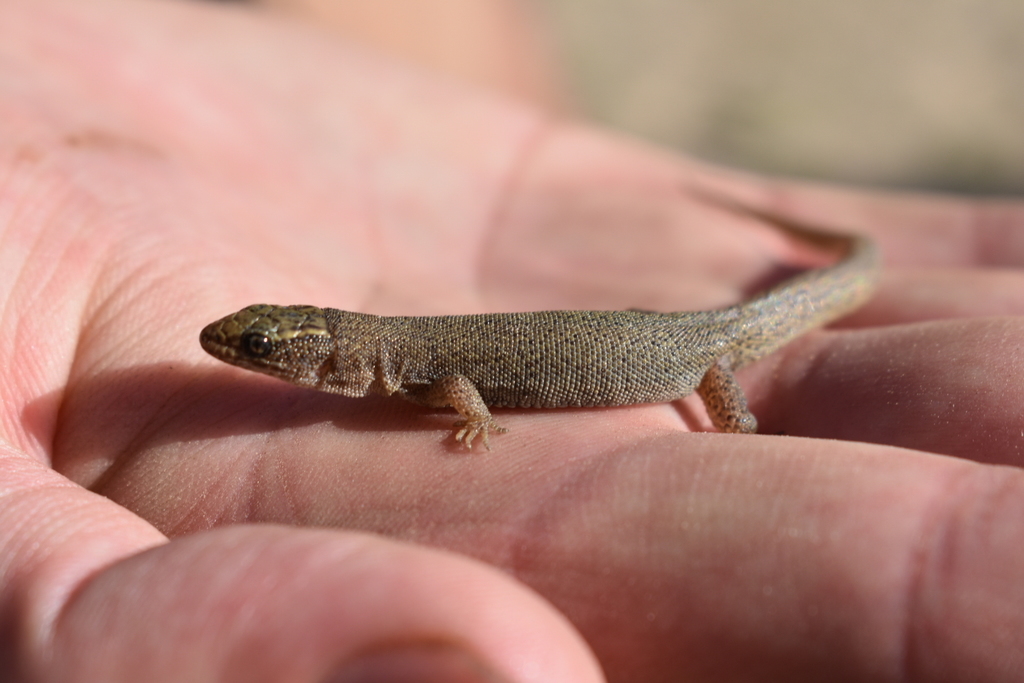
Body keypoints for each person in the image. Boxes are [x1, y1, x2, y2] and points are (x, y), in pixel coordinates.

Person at [2, 1, 1022, 681]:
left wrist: (723, 423)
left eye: (264, 346)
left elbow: (453, 374)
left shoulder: (400, 368)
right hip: (675, 334)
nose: (245, 352)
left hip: (713, 343)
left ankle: (827, 283)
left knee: (725, 373)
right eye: (258, 346)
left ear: (318, 357)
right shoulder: (372, 360)